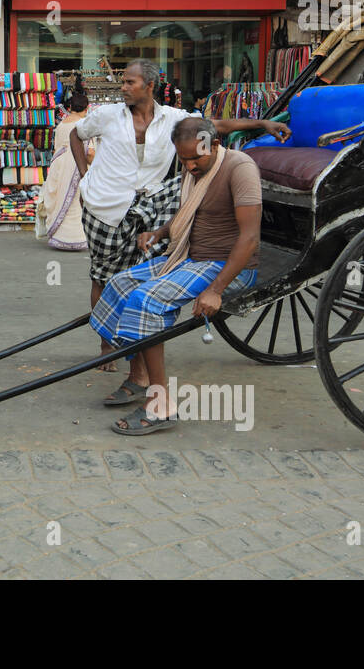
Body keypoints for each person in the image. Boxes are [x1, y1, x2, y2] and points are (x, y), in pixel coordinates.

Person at [69, 59, 288, 377]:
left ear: (149, 86)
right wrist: (83, 174)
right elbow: (76, 135)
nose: (124, 87)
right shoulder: (106, 116)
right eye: (123, 82)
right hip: (103, 207)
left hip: (147, 211)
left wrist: (261, 124)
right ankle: (107, 345)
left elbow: (214, 127)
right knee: (103, 277)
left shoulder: (174, 120)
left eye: (130, 82)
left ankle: (138, 361)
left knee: (139, 282)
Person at [94, 117, 263, 434]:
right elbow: (190, 214)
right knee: (119, 284)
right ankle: (140, 375)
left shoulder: (240, 168)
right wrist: (159, 232)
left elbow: (250, 238)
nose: (189, 166)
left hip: (225, 266)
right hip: (188, 255)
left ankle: (161, 404)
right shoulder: (194, 167)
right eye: (183, 159)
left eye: (195, 158)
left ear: (214, 144)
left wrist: (216, 290)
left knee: (147, 300)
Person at [35, 88, 93, 251]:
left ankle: (59, 237)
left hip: (58, 166)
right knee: (75, 202)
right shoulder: (82, 125)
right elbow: (89, 152)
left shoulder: (61, 125)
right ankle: (75, 239)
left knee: (60, 197)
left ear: (70, 107)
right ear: (86, 108)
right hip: (75, 165)